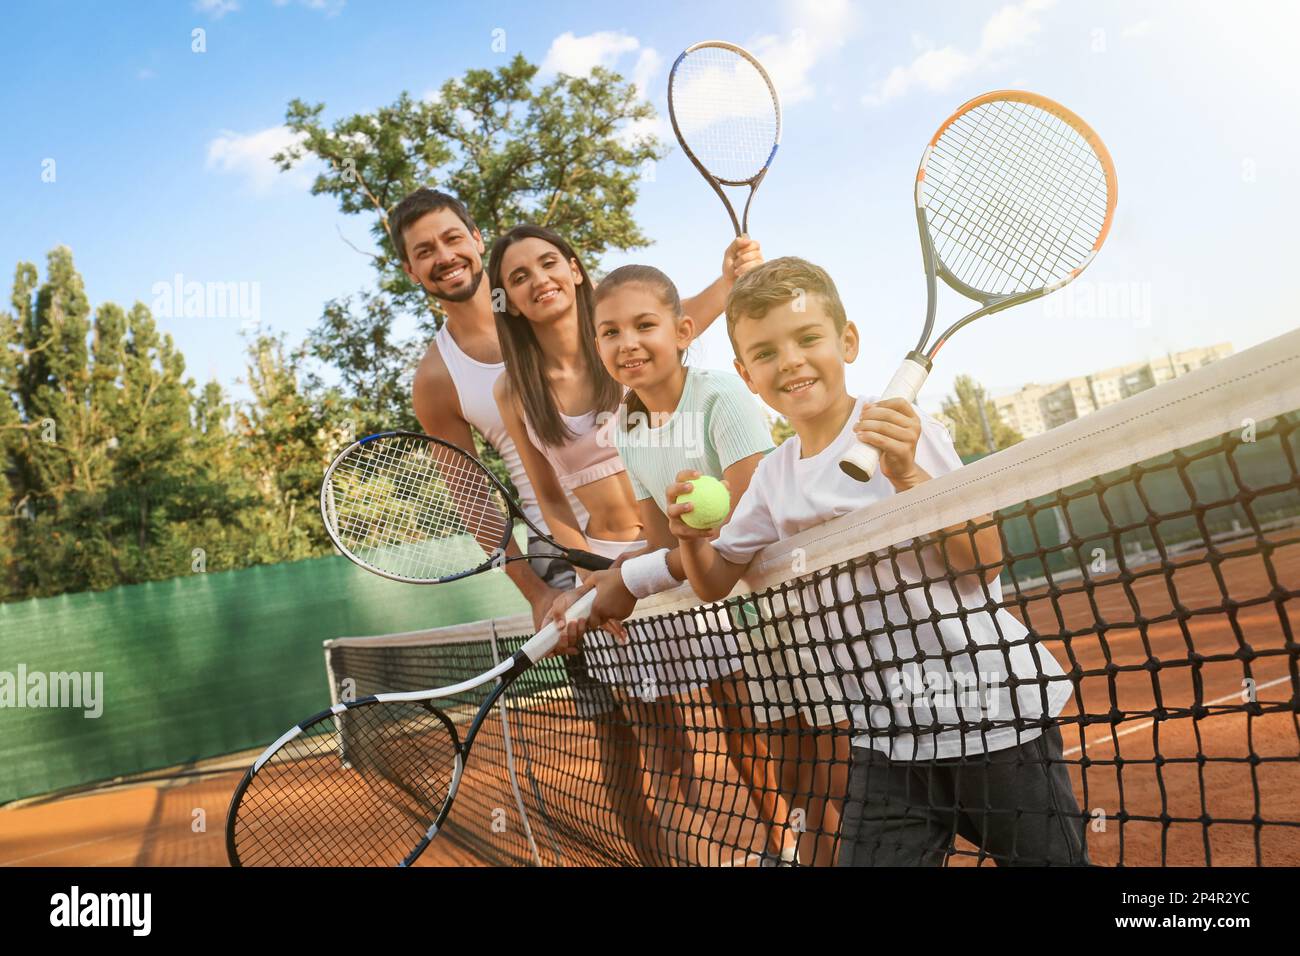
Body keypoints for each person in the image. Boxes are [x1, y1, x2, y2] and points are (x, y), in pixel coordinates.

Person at [669, 256, 1086, 866]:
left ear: (848, 342)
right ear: (745, 374)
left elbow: (985, 563)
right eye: (765, 353)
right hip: (885, 735)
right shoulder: (771, 478)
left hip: (988, 713)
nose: (789, 360)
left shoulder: (903, 430)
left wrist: (908, 476)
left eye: (807, 338)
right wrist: (689, 537)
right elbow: (714, 581)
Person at [395, 188, 662, 860]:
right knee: (617, 731)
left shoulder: (564, 309)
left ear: (476, 238)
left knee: (705, 709)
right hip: (558, 551)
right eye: (423, 251)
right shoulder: (436, 378)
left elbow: (665, 333)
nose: (444, 257)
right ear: (410, 271)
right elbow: (474, 499)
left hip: (654, 520)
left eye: (451, 238)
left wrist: (733, 278)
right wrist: (542, 591)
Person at [487, 226, 764, 864]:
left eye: (548, 263)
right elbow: (548, 496)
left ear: (576, 269)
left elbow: (676, 317)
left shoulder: (623, 347)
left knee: (743, 713)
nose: (538, 280)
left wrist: (732, 272)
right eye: (518, 276)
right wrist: (589, 574)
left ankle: (788, 843)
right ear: (505, 298)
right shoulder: (514, 386)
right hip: (618, 566)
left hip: (678, 549)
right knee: (662, 743)